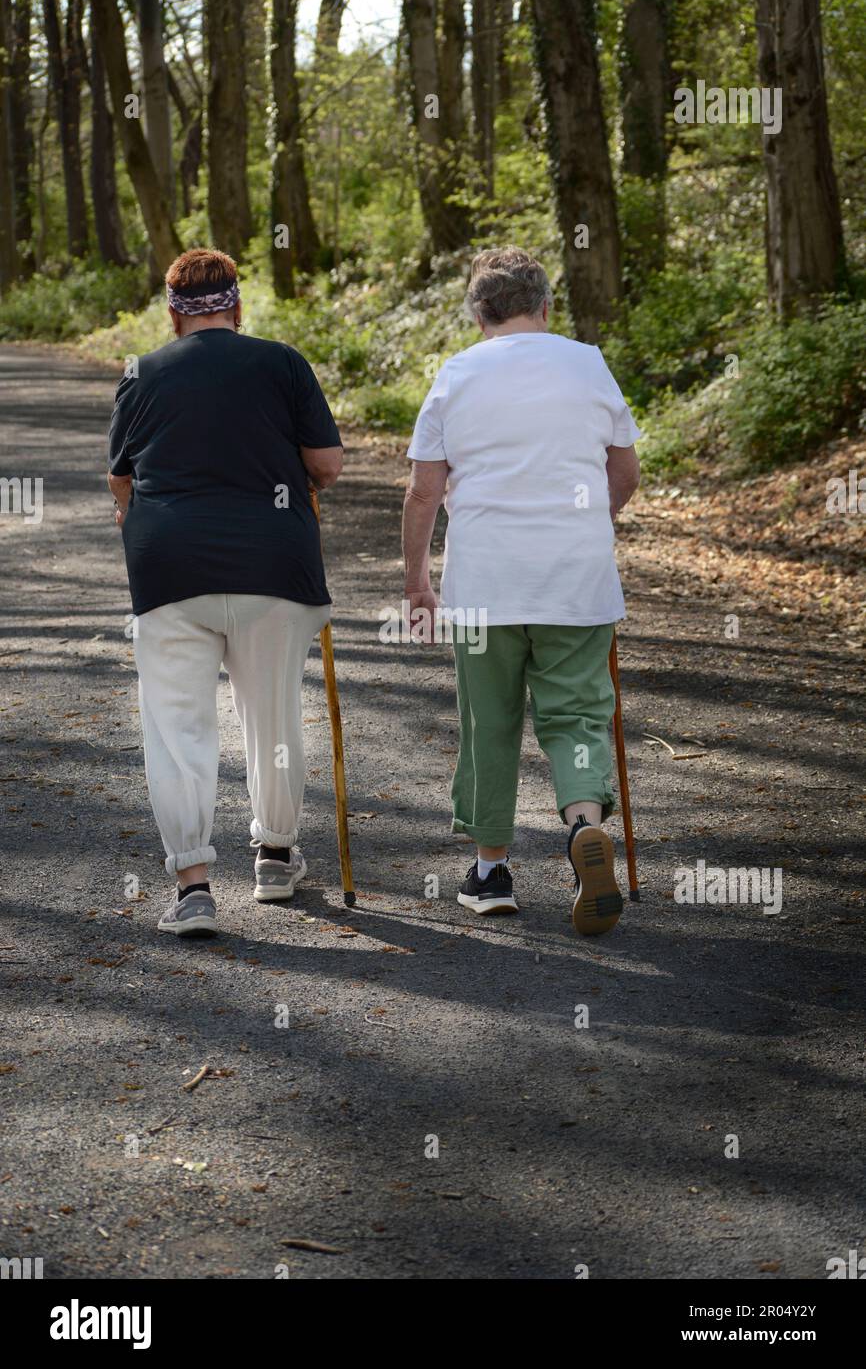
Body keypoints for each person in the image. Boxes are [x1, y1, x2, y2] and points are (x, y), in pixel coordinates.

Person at [402, 246, 641, 936]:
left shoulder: (457, 374)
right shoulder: (588, 363)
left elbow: (423, 489)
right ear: (546, 306)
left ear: (479, 313)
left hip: (485, 583)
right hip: (577, 580)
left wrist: (418, 583)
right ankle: (582, 829)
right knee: (577, 716)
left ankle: (491, 872)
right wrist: (586, 526)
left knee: (489, 721)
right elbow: (623, 474)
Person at [106, 247, 343, 937]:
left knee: (177, 726)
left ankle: (193, 886)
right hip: (275, 566)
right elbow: (325, 466)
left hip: (171, 569)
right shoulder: (282, 362)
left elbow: (121, 479)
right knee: (270, 717)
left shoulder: (141, 372)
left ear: (173, 315)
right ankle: (274, 854)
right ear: (238, 308)